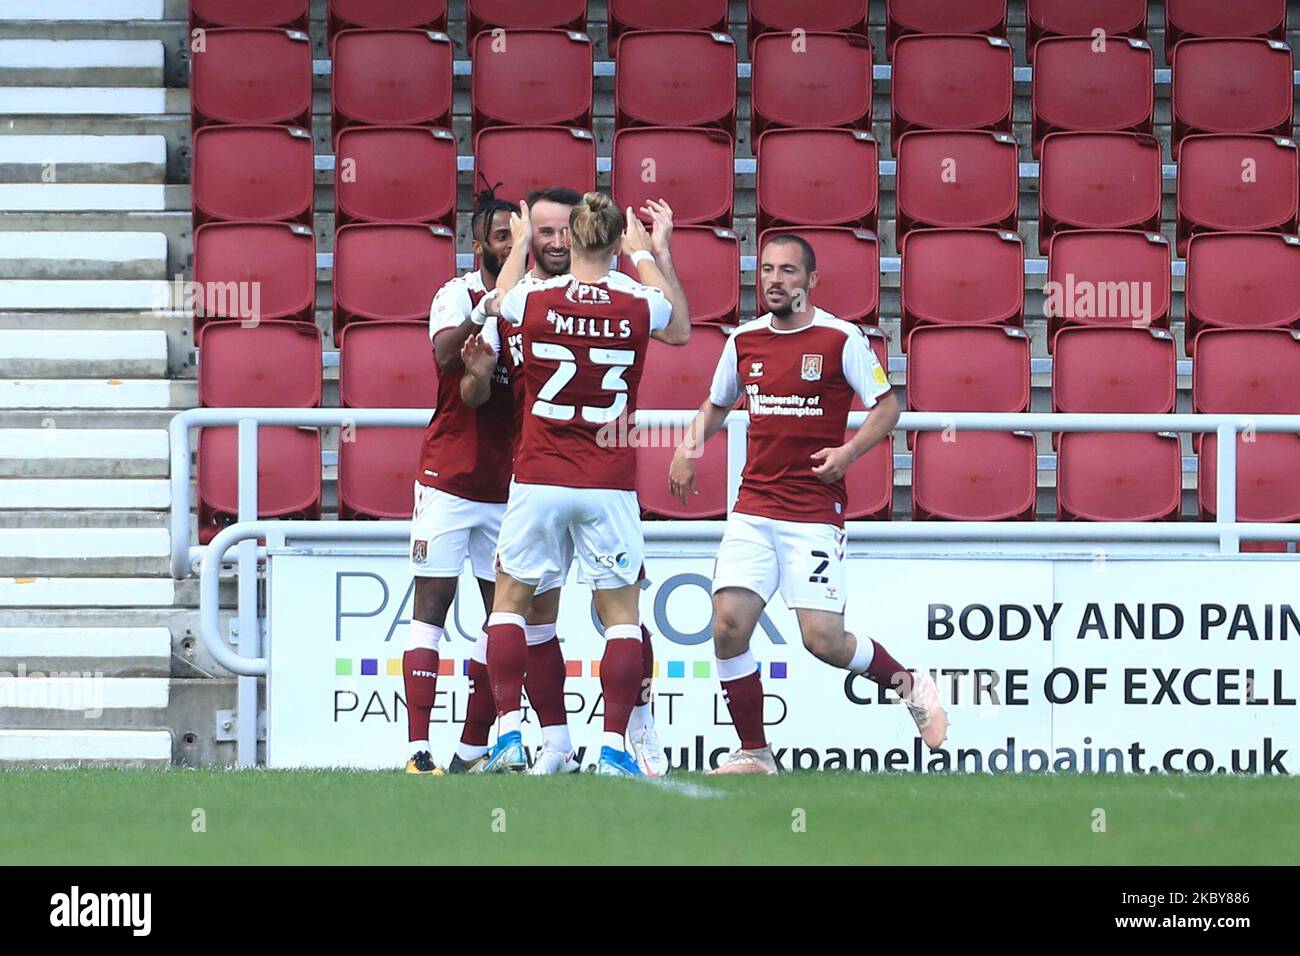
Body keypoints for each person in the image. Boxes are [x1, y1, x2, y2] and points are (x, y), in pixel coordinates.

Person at [668, 235, 949, 775]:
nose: (775, 280)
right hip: (753, 508)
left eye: (788, 271)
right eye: (768, 269)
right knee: (727, 627)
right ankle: (754, 752)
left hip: (813, 513)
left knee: (823, 641)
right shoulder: (743, 340)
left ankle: (910, 685)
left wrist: (848, 452)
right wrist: (687, 447)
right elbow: (717, 401)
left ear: (810, 282)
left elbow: (887, 408)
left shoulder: (841, 339)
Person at [467, 192, 690, 776]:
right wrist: (651, 253)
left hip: (538, 475)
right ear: (617, 241)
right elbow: (684, 327)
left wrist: (518, 244)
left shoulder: (533, 297)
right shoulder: (639, 302)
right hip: (608, 482)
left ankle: (511, 734)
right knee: (620, 619)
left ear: (569, 241)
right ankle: (614, 747)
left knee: (510, 607)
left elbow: (496, 302)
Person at [400, 188, 515, 775]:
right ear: (479, 246)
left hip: (508, 485)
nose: (513, 244)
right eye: (502, 236)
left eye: (516, 235)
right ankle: (419, 751)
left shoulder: (536, 302)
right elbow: (446, 358)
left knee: (507, 620)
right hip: (447, 477)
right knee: (432, 609)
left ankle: (471, 749)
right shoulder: (457, 295)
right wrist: (484, 310)